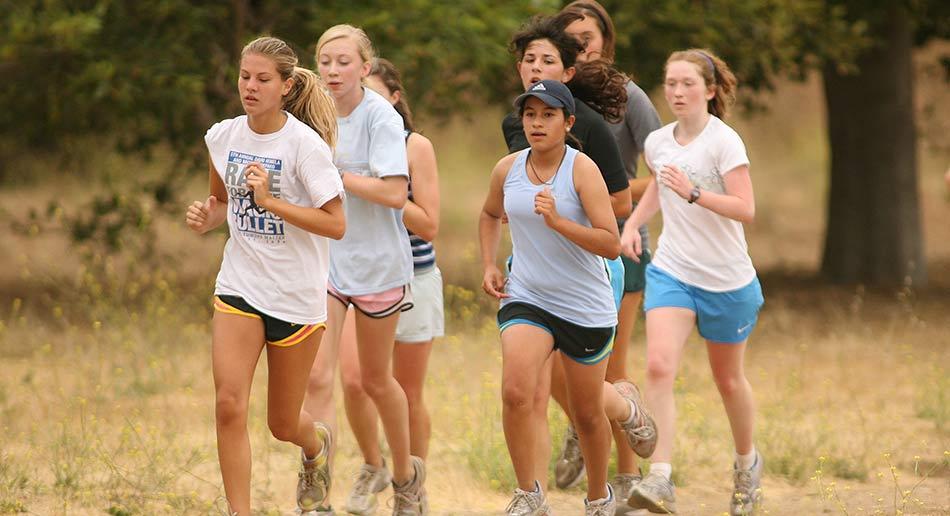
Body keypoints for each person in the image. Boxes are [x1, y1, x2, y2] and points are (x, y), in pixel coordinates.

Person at [184, 36, 345, 516]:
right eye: (244, 77)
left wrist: (273, 202)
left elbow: (337, 224)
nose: (250, 87)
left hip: (296, 299)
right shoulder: (223, 136)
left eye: (262, 79)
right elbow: (222, 202)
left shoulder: (304, 146)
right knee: (229, 404)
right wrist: (206, 216)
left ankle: (315, 447)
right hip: (240, 286)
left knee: (281, 424)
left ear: (286, 85)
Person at [480, 79, 655, 516]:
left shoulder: (582, 170)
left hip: (583, 302)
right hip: (528, 295)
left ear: (568, 121)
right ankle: (530, 495)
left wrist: (558, 222)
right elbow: (489, 213)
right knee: (516, 392)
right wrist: (488, 263)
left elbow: (609, 243)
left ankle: (599, 495)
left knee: (587, 411)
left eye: (548, 115)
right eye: (530, 115)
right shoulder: (507, 168)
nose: (537, 123)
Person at [502, 15, 645, 491]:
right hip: (534, 274)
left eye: (548, 60)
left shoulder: (590, 128)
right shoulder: (514, 122)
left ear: (568, 72)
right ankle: (532, 491)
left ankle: (624, 462)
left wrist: (567, 212)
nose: (536, 68)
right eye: (528, 60)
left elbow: (620, 205)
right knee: (527, 389)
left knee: (590, 391)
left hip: (598, 266)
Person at [619, 49, 765, 515]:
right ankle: (660, 479)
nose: (677, 92)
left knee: (727, 379)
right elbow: (661, 190)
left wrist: (697, 193)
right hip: (673, 270)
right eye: (671, 84)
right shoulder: (658, 142)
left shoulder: (725, 142)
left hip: (726, 279)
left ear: (710, 90)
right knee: (659, 367)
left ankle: (746, 466)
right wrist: (631, 224)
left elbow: (746, 209)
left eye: (687, 84)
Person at [303, 24, 427, 516]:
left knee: (376, 381)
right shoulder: (310, 112)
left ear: (365, 67)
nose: (332, 71)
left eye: (343, 61)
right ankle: (314, 497)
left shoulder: (381, 117)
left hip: (378, 266)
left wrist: (341, 178)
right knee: (316, 376)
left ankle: (404, 478)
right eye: (325, 61)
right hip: (327, 261)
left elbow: (396, 193)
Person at [555, 0, 663, 500]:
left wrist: (608, 193)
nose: (583, 44)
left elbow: (665, 172)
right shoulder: (548, 102)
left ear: (606, 41)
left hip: (620, 239)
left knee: (612, 371)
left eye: (589, 36)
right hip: (558, 249)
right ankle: (582, 420)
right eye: (572, 38)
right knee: (553, 368)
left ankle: (625, 482)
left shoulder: (629, 97)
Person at [336, 57, 442, 515]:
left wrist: (379, 191)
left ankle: (411, 481)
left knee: (405, 389)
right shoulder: (340, 140)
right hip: (355, 275)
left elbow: (431, 224)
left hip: (413, 276)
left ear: (395, 99)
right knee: (355, 381)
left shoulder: (415, 146)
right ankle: (372, 464)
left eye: (376, 96)